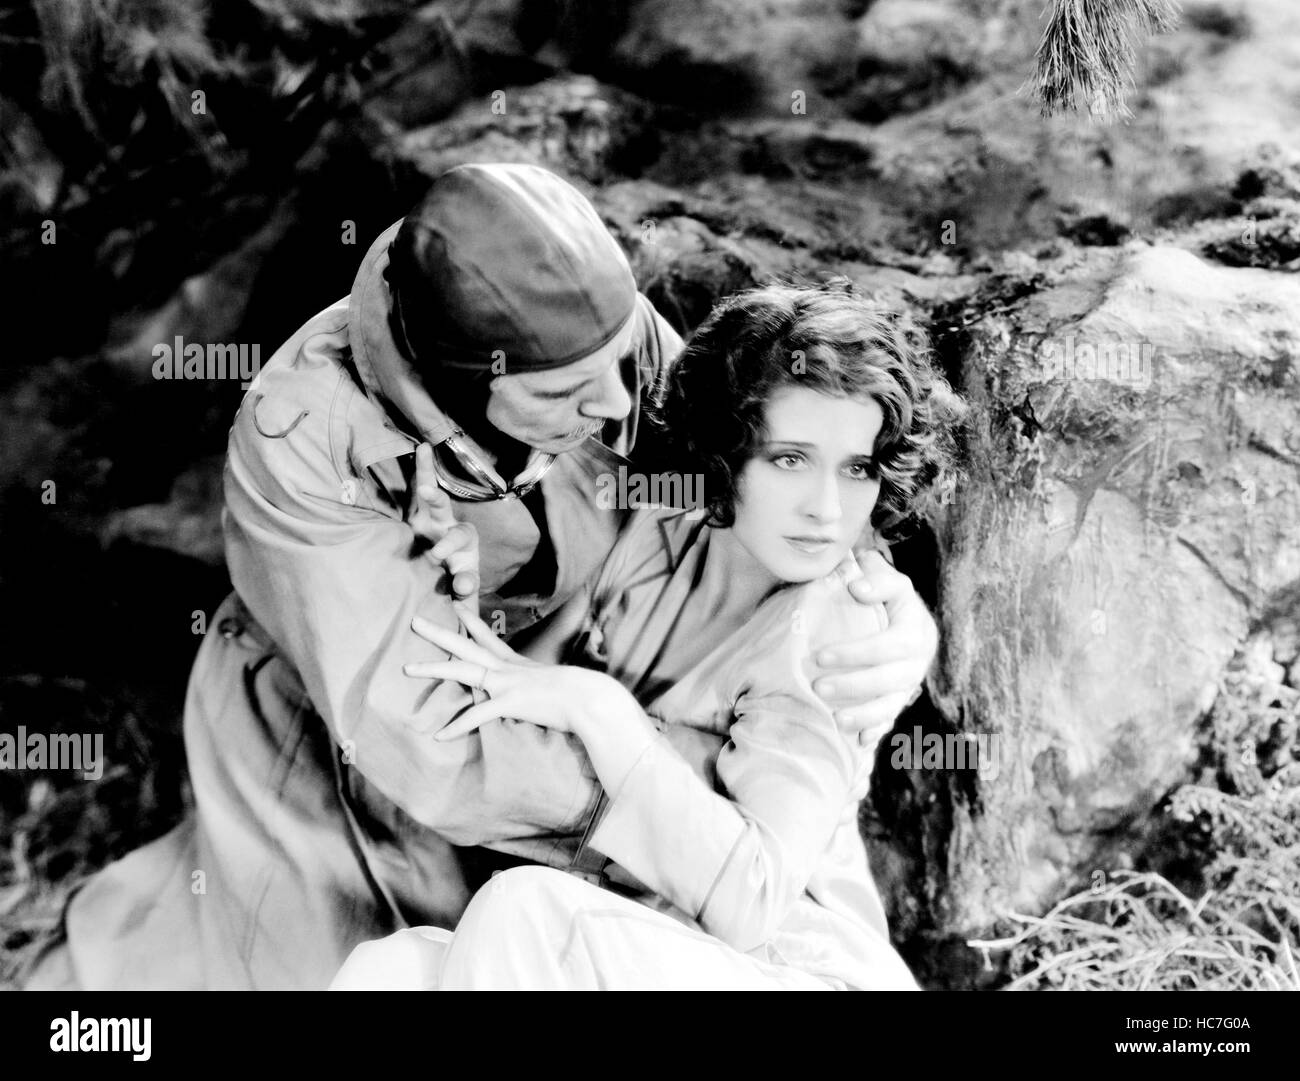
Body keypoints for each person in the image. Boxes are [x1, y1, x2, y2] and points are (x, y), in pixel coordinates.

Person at [25, 165, 940, 991]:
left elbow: (755, 452)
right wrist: (654, 794)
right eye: (563, 396)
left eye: (621, 360)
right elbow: (428, 739)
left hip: (546, 706)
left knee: (507, 946)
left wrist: (874, 599)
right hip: (350, 730)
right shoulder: (301, 434)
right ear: (467, 383)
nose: (622, 405)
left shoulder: (588, 342)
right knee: (316, 963)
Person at [331, 281, 964, 990]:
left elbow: (752, 900)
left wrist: (604, 713)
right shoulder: (653, 539)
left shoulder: (833, 620)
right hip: (637, 943)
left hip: (795, 969)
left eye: (858, 469)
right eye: (791, 459)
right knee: (385, 971)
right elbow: (519, 702)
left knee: (528, 910)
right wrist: (455, 595)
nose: (825, 508)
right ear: (729, 448)